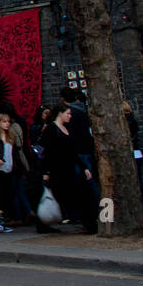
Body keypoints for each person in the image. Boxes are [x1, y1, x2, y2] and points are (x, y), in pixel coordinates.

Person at [60, 87, 98, 232]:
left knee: (83, 186)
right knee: (90, 184)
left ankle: (85, 216)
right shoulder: (85, 112)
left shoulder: (70, 115)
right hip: (87, 150)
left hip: (78, 153)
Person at [123, 101, 143, 219]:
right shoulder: (133, 121)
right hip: (137, 153)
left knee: (135, 184)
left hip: (132, 155)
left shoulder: (126, 122)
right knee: (138, 184)